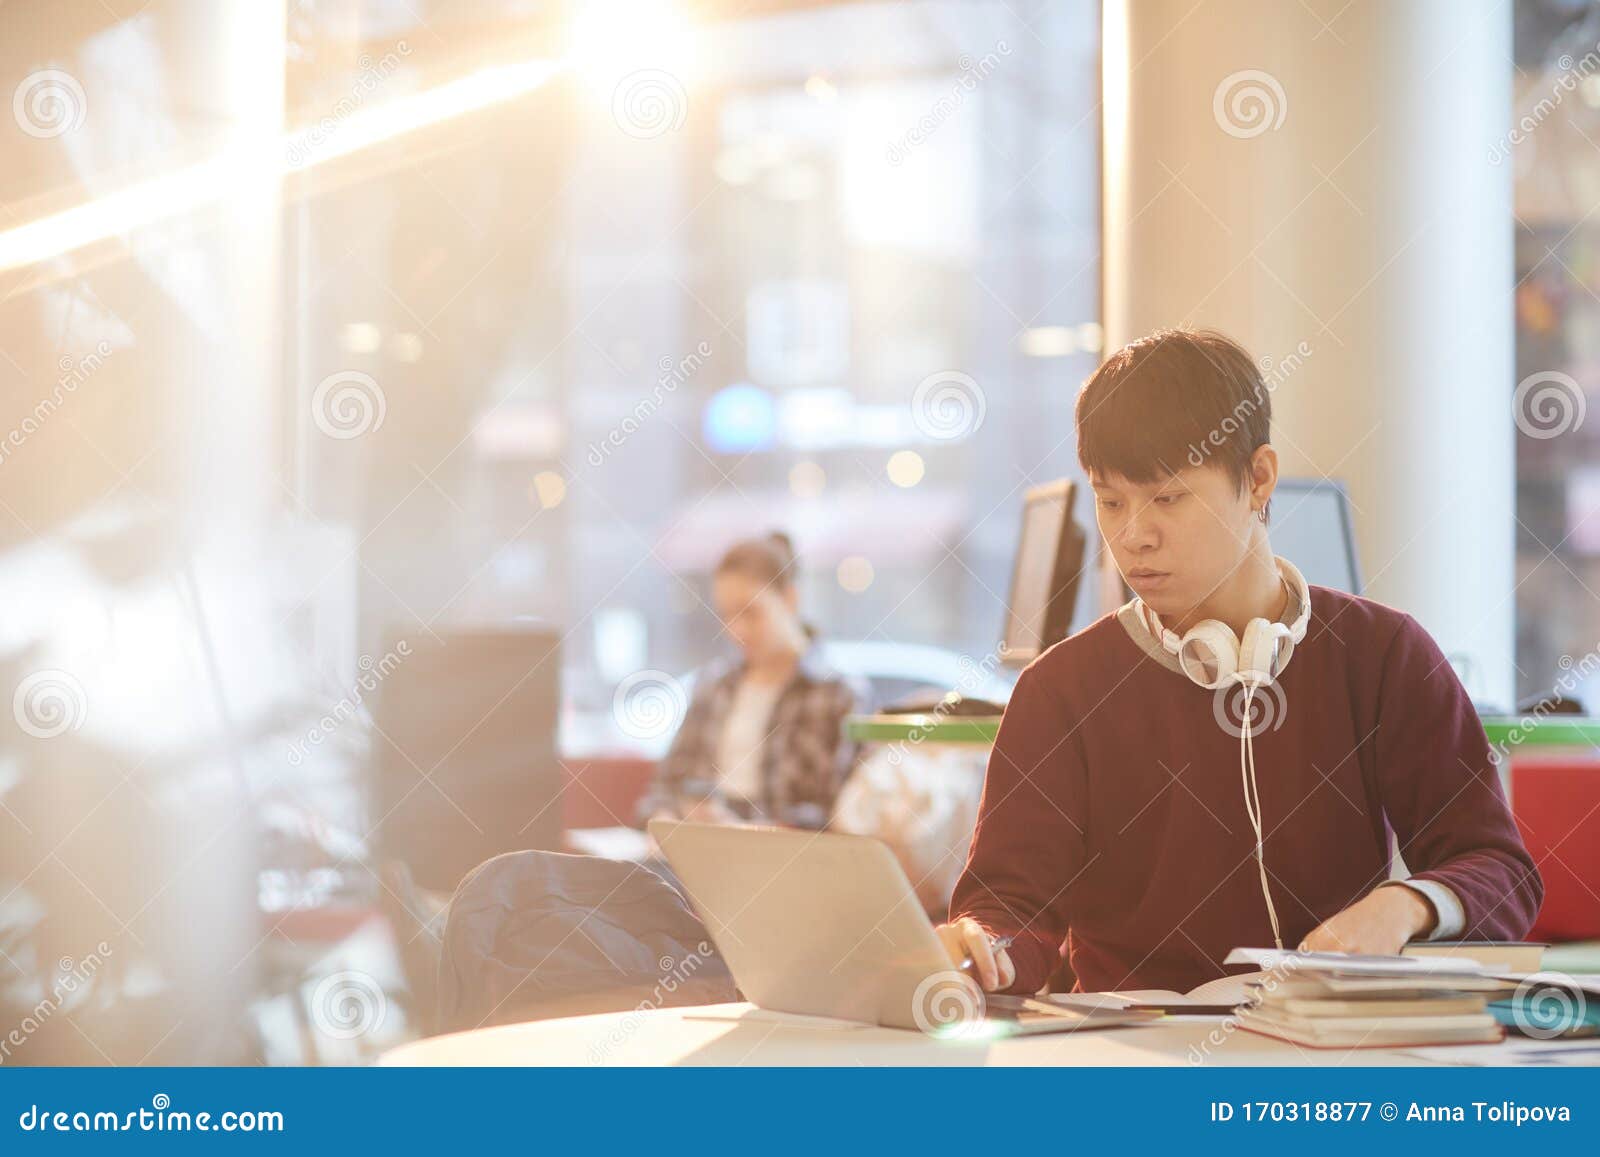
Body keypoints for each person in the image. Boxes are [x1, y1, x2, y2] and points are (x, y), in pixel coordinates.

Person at [937, 329, 1542, 996]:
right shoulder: (1061, 690)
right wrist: (980, 945)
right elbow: (1009, 910)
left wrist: (1406, 905)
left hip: (1328, 1036)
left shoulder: (1383, 655)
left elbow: (1499, 870)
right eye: (1111, 501)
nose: (1133, 535)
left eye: (1168, 497)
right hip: (1134, 1047)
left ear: (1258, 479)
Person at [639, 532, 866, 831]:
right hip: (701, 845)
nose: (737, 631)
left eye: (750, 612)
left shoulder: (837, 694)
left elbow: (837, 813)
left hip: (781, 852)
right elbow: (665, 786)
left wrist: (748, 832)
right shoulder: (714, 686)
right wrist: (664, 821)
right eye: (727, 615)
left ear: (789, 599)